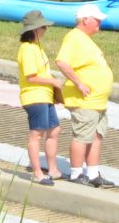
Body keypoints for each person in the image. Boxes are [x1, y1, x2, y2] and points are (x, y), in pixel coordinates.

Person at [54, 6, 114, 187]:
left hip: (97, 101)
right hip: (84, 100)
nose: (100, 23)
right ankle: (76, 173)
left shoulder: (86, 39)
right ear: (85, 19)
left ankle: (93, 173)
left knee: (96, 135)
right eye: (97, 19)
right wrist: (79, 82)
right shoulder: (74, 37)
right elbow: (61, 62)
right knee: (82, 136)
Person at [17, 10, 76, 184]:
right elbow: (31, 77)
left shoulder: (36, 47)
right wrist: (53, 82)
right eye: (44, 27)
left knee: (54, 130)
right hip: (35, 97)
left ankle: (53, 169)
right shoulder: (27, 49)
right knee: (36, 134)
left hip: (44, 95)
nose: (45, 30)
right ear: (35, 29)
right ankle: (37, 173)